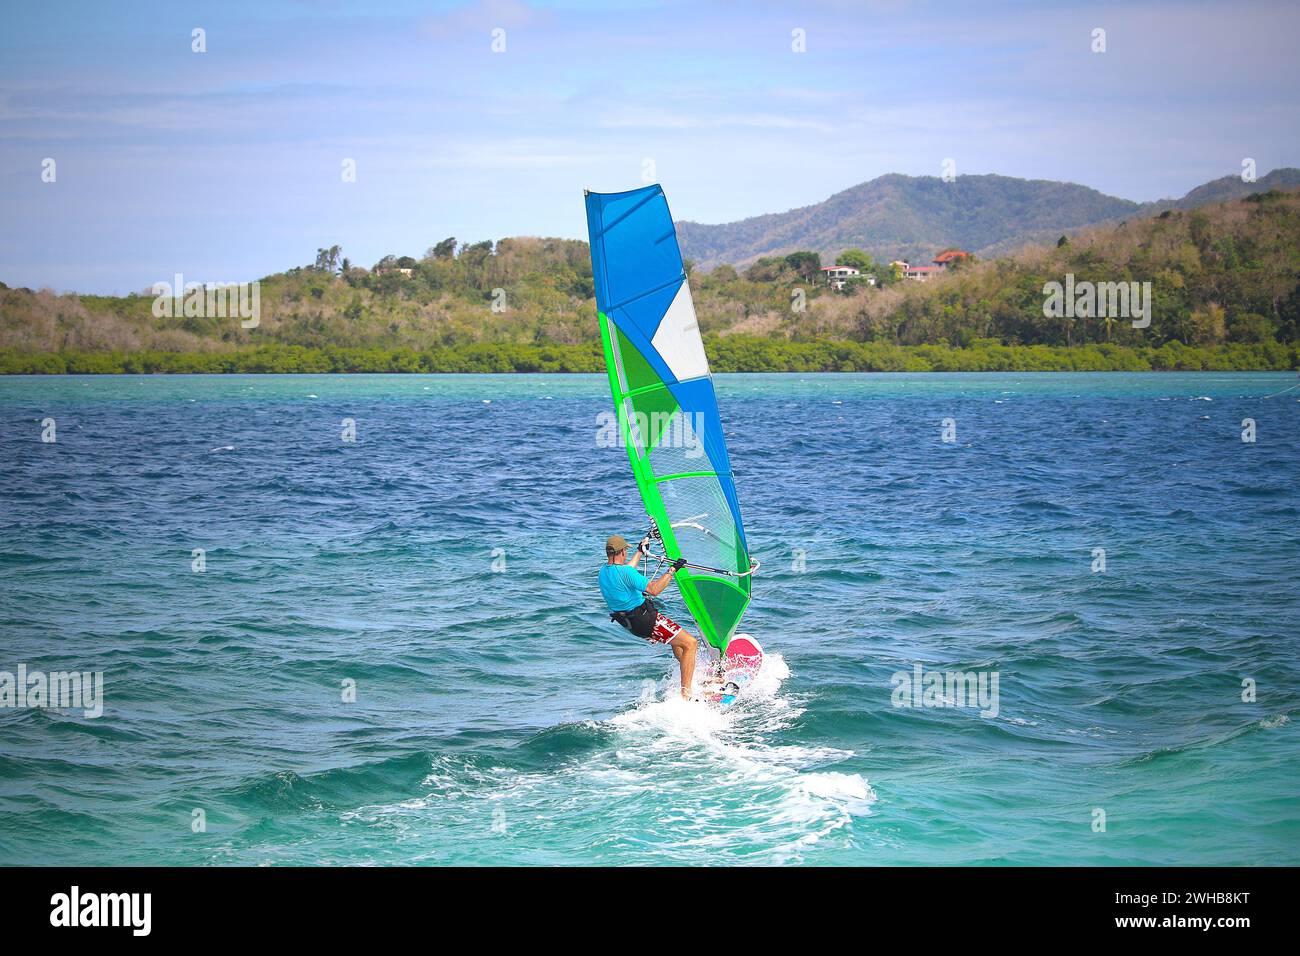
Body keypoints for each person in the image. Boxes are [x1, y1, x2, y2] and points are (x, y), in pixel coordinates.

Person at [598, 534, 699, 699]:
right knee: (691, 643)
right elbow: (654, 590)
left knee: (677, 641)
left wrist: (639, 551)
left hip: (631, 624)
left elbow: (627, 570)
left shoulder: (604, 571)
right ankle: (686, 695)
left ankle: (689, 676)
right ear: (622, 552)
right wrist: (672, 570)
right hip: (646, 620)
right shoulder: (625, 573)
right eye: (626, 551)